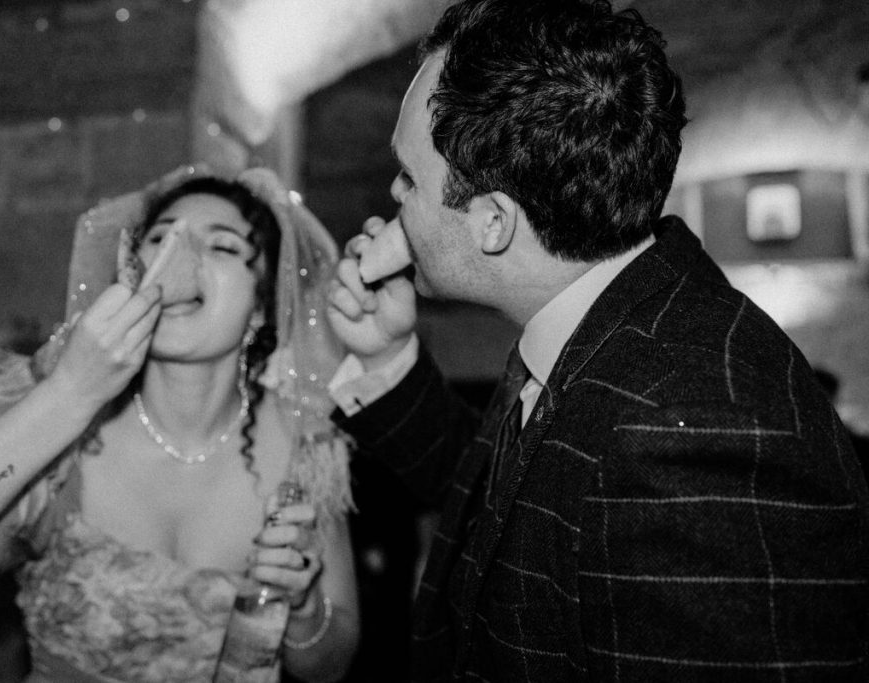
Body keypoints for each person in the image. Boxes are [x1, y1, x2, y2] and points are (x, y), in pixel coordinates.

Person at [325, 1, 869, 680]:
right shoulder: (604, 318)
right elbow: (511, 507)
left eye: (409, 176)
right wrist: (384, 356)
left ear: (494, 223)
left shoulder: (698, 425)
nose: (392, 193)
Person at [0, 165, 359, 682]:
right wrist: (69, 394)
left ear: (261, 308)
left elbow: (329, 664)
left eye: (223, 247)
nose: (177, 253)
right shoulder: (61, 409)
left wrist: (305, 607)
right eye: (160, 238)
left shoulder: (305, 447)